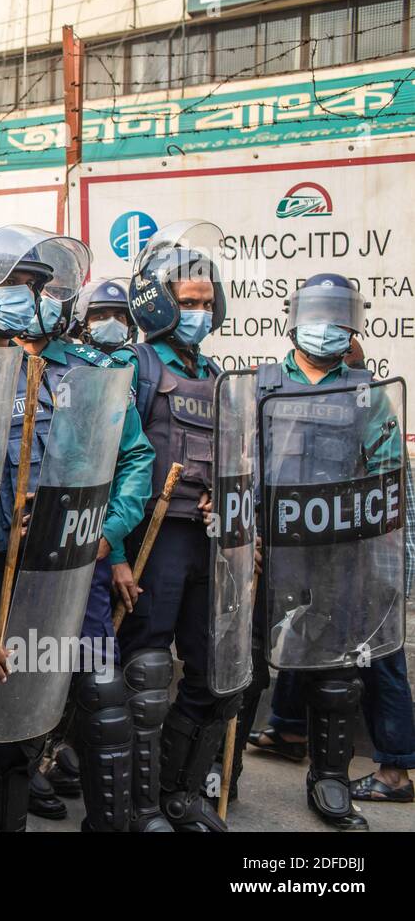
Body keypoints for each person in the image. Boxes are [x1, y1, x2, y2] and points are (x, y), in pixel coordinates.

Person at [0, 226, 153, 833]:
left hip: (64, 577)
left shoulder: (85, 373)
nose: (32, 298)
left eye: (37, 286)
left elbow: (131, 458)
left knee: (63, 720)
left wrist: (107, 536)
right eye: (16, 285)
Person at [230, 278, 415, 828]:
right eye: (319, 315)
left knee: (335, 676)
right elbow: (236, 466)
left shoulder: (368, 392)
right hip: (264, 557)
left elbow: (387, 478)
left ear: (353, 326)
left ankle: (330, 781)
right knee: (242, 672)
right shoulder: (260, 386)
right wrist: (242, 540)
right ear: (293, 319)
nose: (327, 327)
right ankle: (220, 772)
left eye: (339, 318)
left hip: (338, 562)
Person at [113, 220, 235, 831]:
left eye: (207, 303)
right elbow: (113, 458)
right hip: (150, 544)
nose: (199, 312)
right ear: (158, 303)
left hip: (205, 544)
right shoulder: (136, 368)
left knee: (216, 671)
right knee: (146, 675)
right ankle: (139, 806)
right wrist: (111, 553)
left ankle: (183, 794)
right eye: (189, 302)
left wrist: (234, 516)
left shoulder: (217, 377)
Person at [70, 278, 135, 354]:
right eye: (101, 317)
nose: (112, 322)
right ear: (83, 325)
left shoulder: (136, 363)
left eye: (119, 317)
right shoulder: (72, 363)